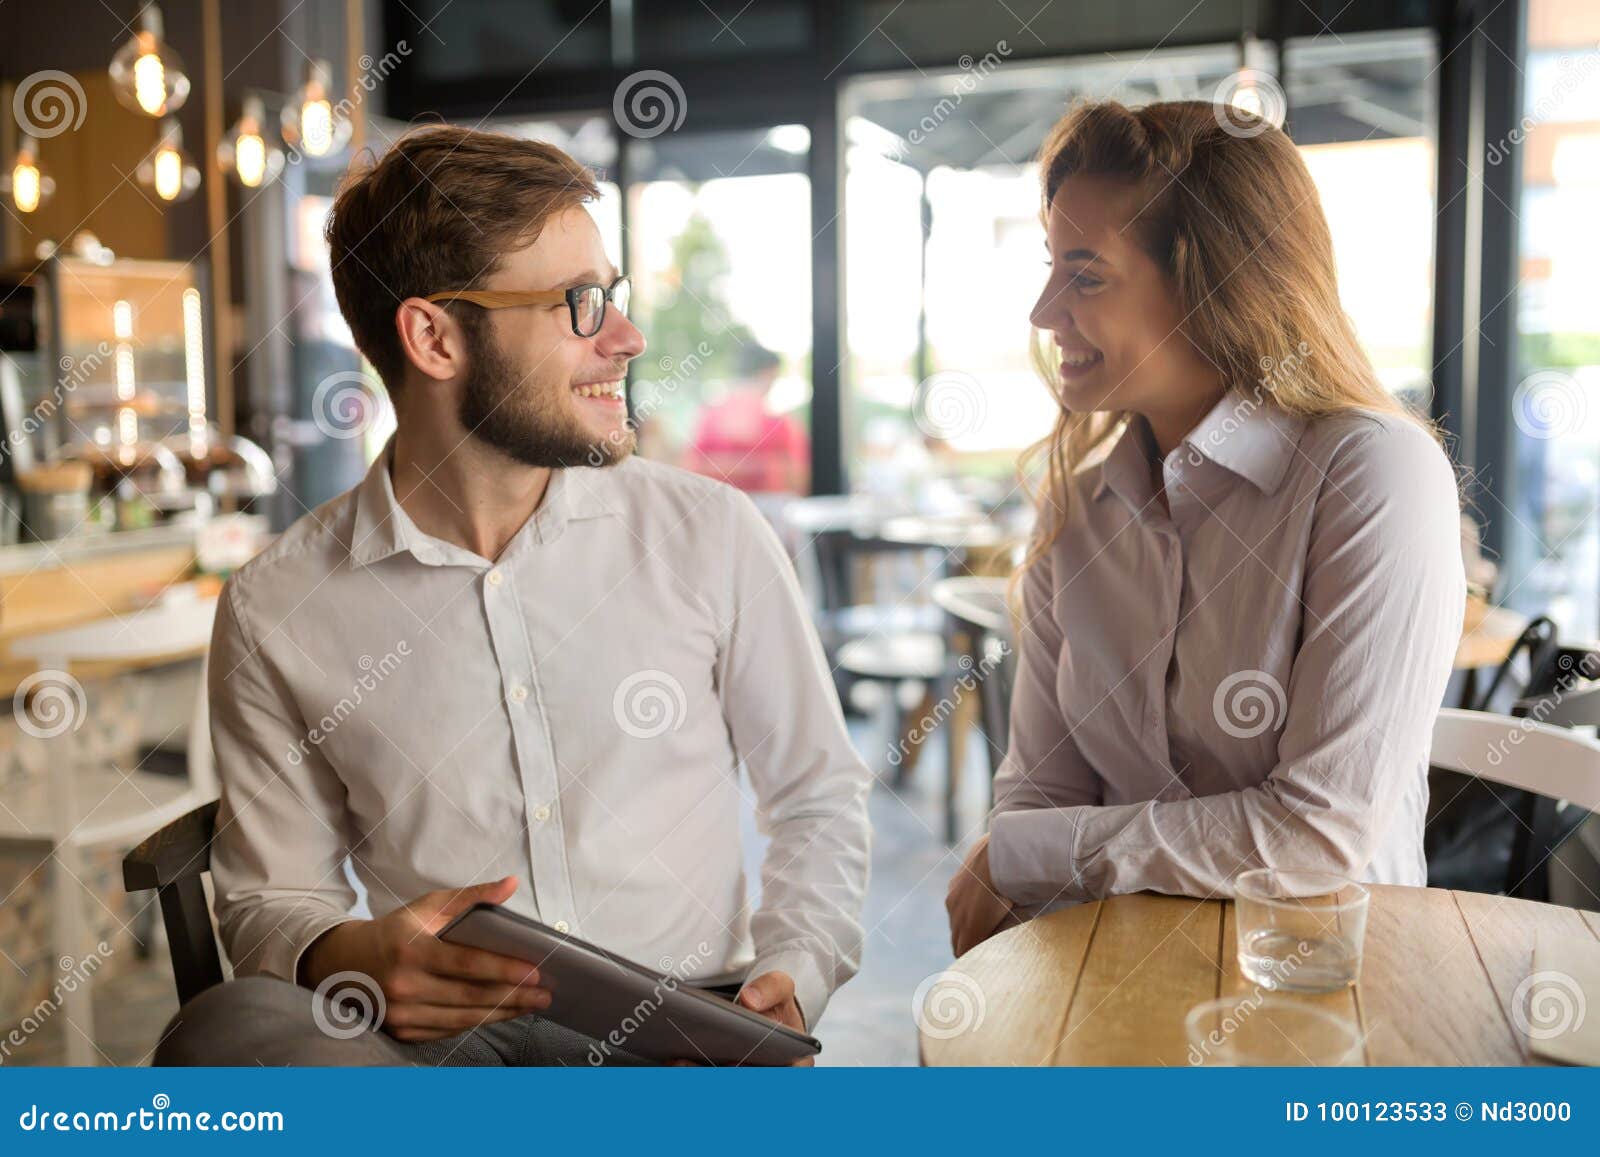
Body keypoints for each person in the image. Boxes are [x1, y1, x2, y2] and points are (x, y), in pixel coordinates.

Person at [156, 125, 871, 1065]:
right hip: (443, 1053)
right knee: (221, 1040)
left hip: (687, 1034)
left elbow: (817, 794)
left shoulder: (709, 533)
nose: (627, 337)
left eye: (611, 293)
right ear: (434, 338)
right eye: (580, 304)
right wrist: (347, 955)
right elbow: (270, 895)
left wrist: (794, 970)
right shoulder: (274, 606)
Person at [946, 100, 1464, 955]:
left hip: (1325, 986)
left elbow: (1316, 835)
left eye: (1085, 276)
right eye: (1051, 268)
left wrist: (1025, 855)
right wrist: (1026, 859)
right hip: (1116, 972)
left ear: (1214, 285)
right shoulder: (1077, 512)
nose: (1043, 311)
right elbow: (1042, 794)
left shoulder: (1374, 473)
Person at [687, 343, 810, 495]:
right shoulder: (779, 425)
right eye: (772, 378)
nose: (771, 386)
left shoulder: (709, 419)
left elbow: (798, 478)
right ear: (764, 375)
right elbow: (797, 478)